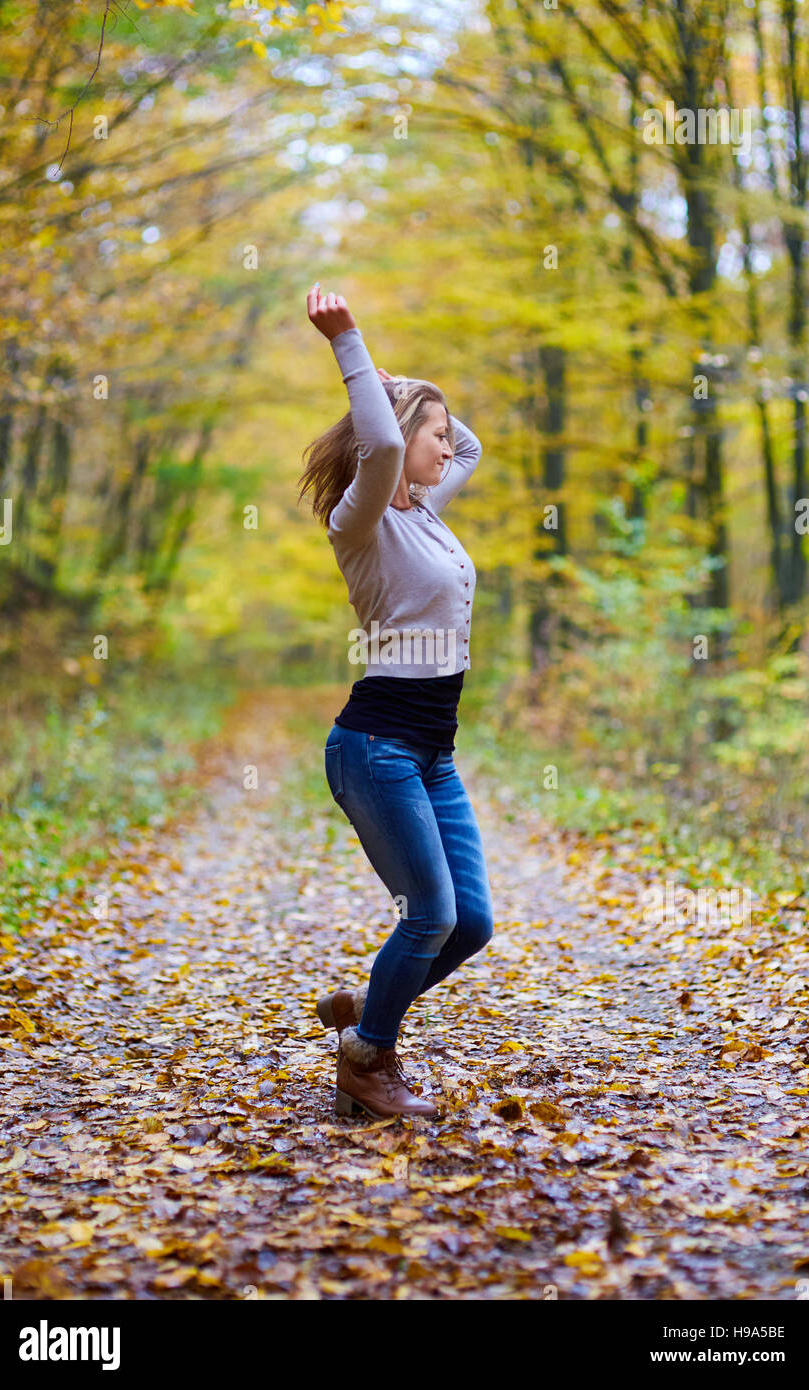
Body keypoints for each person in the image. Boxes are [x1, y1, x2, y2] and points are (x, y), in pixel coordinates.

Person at [298, 283, 494, 1120]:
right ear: (400, 439)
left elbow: (476, 448)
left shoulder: (426, 509)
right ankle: (367, 1058)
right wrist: (352, 353)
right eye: (433, 435)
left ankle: (366, 1012)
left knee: (471, 923)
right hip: (375, 745)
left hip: (430, 752)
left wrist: (407, 386)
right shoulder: (364, 518)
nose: (449, 447)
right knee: (429, 916)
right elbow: (378, 442)